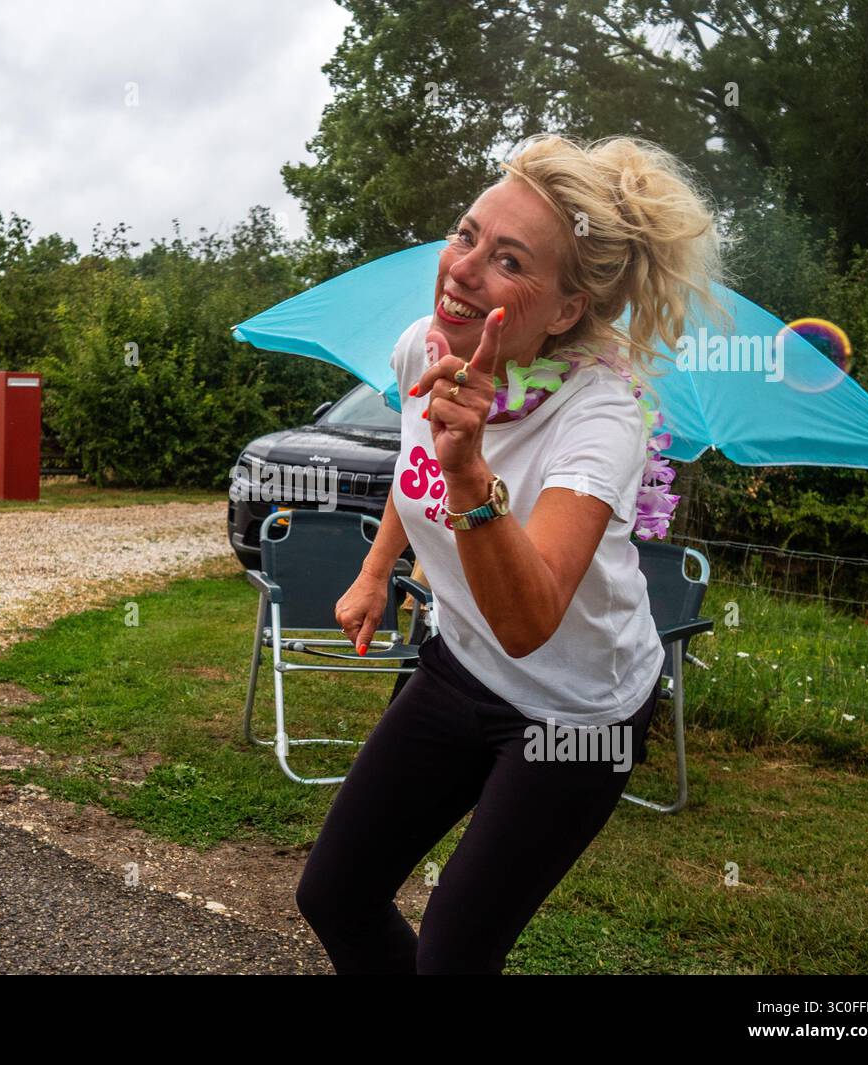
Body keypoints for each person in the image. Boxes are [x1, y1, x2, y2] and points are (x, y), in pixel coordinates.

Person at [295, 134, 726, 973]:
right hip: (460, 665)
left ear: (565, 310)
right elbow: (415, 463)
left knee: (454, 955)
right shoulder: (426, 344)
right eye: (466, 235)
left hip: (576, 714)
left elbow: (529, 619)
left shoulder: (600, 421)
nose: (463, 268)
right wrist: (376, 568)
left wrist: (471, 476)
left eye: (509, 260)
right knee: (336, 894)